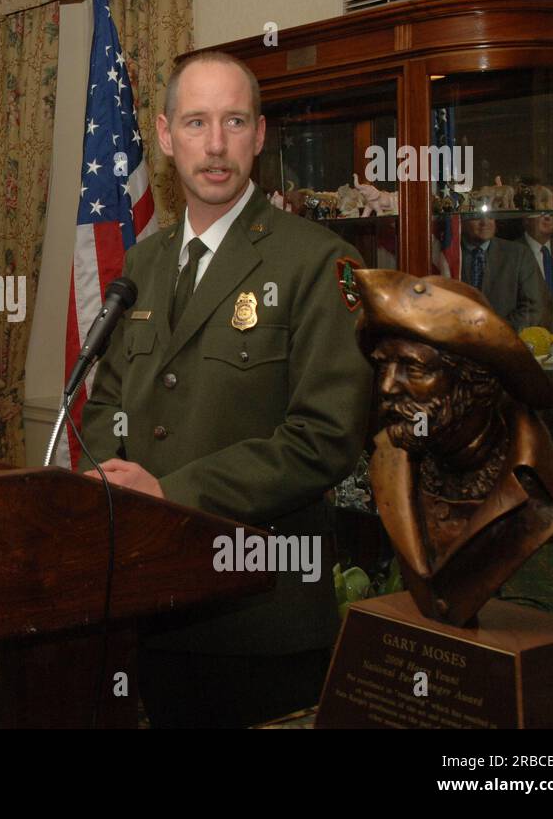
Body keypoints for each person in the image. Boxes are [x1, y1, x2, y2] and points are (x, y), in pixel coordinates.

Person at [80, 50, 373, 728]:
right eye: (196, 122)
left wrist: (171, 498)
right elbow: (107, 403)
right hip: (152, 609)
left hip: (261, 622)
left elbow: (324, 439)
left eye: (234, 121)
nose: (215, 145)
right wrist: (112, 478)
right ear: (164, 135)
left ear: (260, 135)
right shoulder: (146, 261)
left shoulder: (319, 260)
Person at [354, 268, 553, 625]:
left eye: (412, 367)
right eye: (383, 367)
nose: (388, 387)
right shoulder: (389, 463)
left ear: (479, 383)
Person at [459, 215, 547, 332]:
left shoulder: (518, 254)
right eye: (476, 217)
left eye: (490, 217)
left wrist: (497, 331)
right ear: (461, 221)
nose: (485, 222)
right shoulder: (448, 254)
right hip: (458, 340)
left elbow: (533, 306)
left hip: (506, 341)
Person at [522, 212, 553, 330]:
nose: (548, 218)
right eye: (541, 213)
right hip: (526, 332)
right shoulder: (509, 253)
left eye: (552, 214)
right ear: (526, 219)